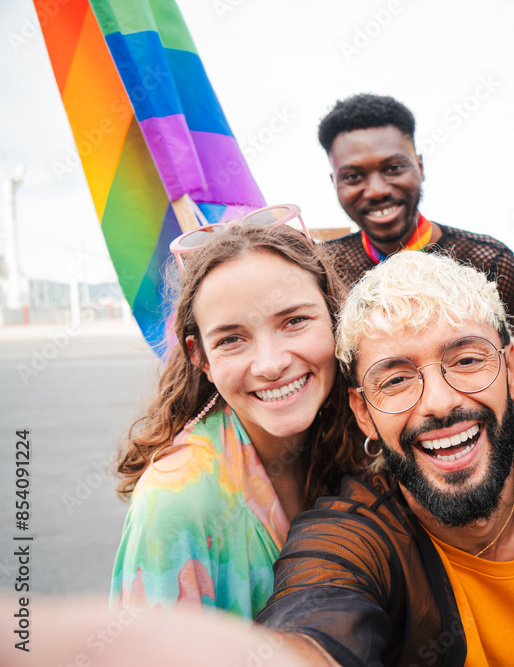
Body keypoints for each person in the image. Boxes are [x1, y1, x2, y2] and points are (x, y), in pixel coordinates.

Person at [257, 251, 514, 667]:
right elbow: (313, 612)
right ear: (364, 412)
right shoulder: (353, 537)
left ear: (512, 369)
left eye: (466, 360)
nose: (440, 403)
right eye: (397, 379)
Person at [111, 211, 357, 620]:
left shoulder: (359, 438)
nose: (270, 364)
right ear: (200, 357)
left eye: (294, 321)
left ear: (335, 318)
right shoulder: (177, 501)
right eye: (232, 339)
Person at [317, 93, 514, 337]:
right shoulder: (324, 271)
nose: (377, 191)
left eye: (394, 168)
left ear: (420, 167)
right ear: (335, 182)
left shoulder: (490, 262)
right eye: (353, 176)